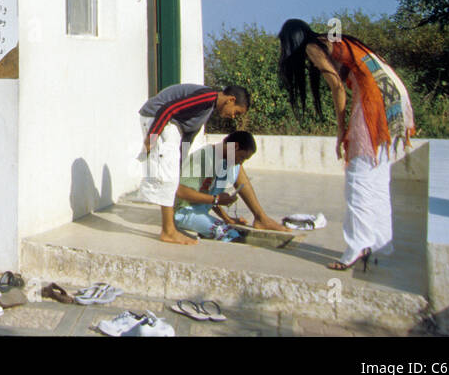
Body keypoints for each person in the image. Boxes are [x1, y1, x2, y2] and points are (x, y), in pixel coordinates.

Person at [276, 19, 415, 270]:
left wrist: (342, 130)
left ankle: (357, 245)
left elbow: (337, 87)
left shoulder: (312, 46)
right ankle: (381, 244)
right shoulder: (332, 41)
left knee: (358, 179)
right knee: (377, 178)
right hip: (393, 93)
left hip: (375, 99)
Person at [136, 83, 250, 245]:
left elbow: (188, 134)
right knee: (167, 176)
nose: (233, 116)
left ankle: (169, 229)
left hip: (170, 124)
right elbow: (168, 109)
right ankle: (168, 231)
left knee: (171, 173)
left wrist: (180, 161)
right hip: (157, 117)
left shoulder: (207, 109)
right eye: (236, 112)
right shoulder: (207, 98)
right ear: (230, 100)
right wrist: (152, 137)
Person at [174, 131, 288, 240]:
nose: (241, 162)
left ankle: (261, 218)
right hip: (184, 212)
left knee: (236, 168)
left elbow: (209, 194)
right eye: (242, 157)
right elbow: (181, 191)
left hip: (200, 211)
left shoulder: (226, 160)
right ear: (236, 147)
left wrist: (227, 218)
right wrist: (216, 199)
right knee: (230, 234)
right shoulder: (204, 158)